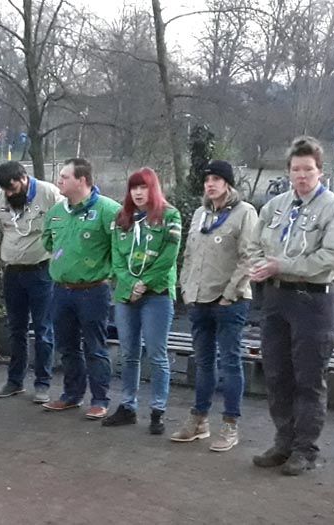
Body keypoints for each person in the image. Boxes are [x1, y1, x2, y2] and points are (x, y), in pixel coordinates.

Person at [248, 136, 334, 476]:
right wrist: (257, 266)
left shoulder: (333, 207)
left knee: (308, 379)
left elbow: (330, 257)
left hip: (313, 300)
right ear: (288, 171)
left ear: (320, 171)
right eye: (296, 169)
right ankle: (283, 442)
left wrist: (280, 265)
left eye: (309, 169)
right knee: (277, 374)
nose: (302, 176)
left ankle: (305, 450)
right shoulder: (275, 206)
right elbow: (255, 243)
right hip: (276, 299)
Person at [173, 160, 258, 451]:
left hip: (229, 302)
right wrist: (186, 289)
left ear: (229, 184)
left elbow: (249, 257)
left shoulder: (245, 213)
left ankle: (230, 424)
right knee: (204, 362)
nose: (210, 184)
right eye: (207, 179)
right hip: (198, 299)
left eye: (217, 179)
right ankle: (199, 420)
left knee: (230, 362)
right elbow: (189, 255)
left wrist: (229, 295)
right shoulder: (199, 214)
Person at [41, 158, 122, 420]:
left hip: (93, 290)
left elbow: (120, 248)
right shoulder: (56, 212)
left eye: (65, 177)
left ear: (82, 180)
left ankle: (100, 399)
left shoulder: (109, 210)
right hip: (61, 290)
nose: (59, 181)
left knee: (95, 346)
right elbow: (48, 243)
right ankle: (71, 394)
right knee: (66, 345)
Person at [103, 168, 182, 435]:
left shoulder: (170, 216)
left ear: (153, 189)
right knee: (128, 353)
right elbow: (116, 259)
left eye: (144, 187)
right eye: (134, 188)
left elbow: (168, 257)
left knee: (157, 353)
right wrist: (129, 284)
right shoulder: (122, 218)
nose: (138, 193)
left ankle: (157, 410)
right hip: (126, 295)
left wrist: (144, 283)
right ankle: (128, 406)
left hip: (156, 295)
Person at [0, 161, 63, 403]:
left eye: (12, 188)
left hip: (41, 272)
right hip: (12, 272)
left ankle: (42, 384)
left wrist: (58, 259)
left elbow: (64, 225)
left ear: (23, 178)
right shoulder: (1, 197)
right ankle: (14, 381)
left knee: (42, 329)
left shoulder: (49, 193)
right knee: (15, 328)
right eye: (5, 190)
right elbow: (3, 228)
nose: (9, 194)